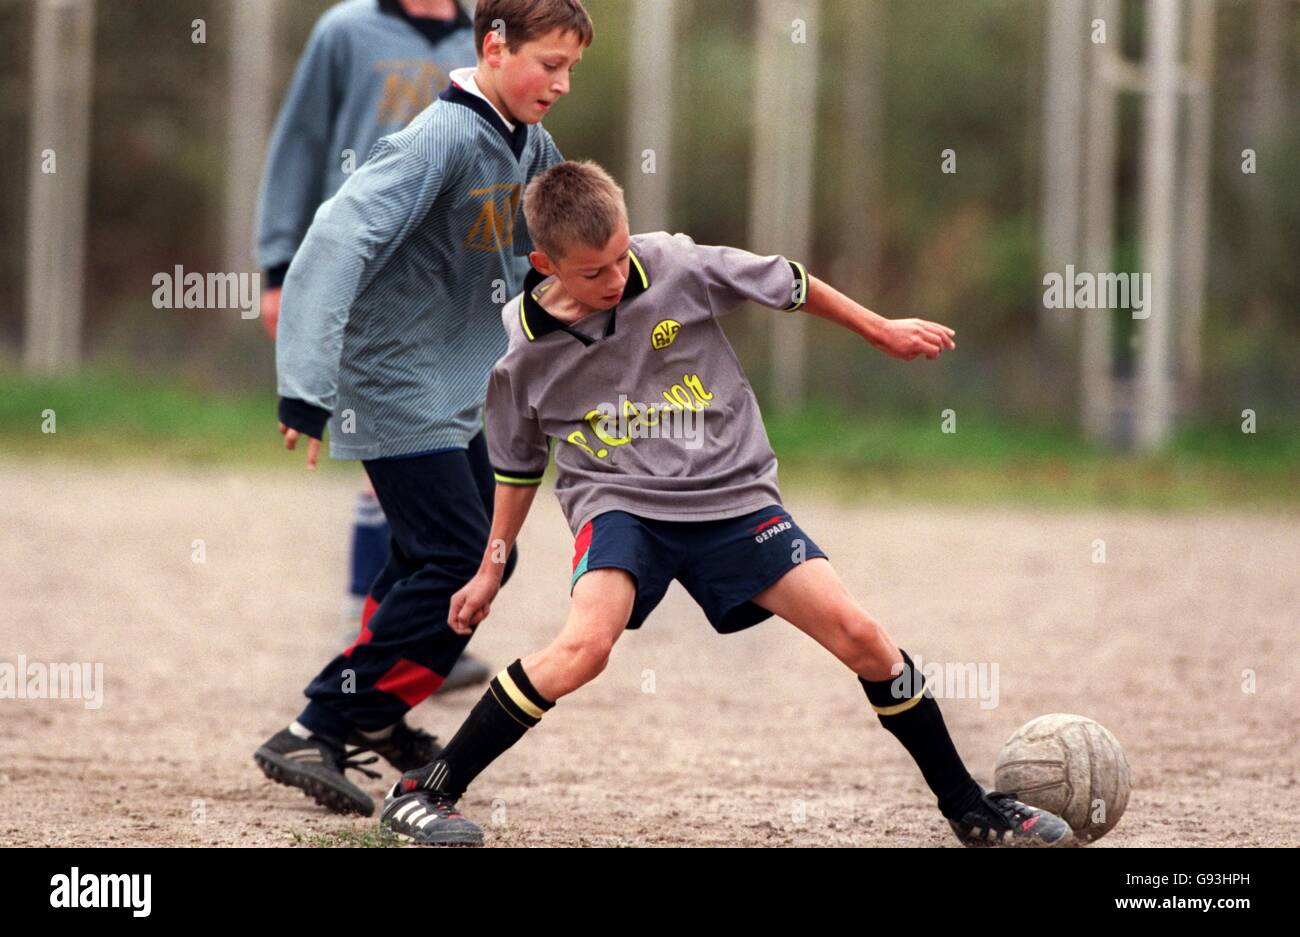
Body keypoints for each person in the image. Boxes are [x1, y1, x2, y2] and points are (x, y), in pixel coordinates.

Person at [377, 161, 1075, 848]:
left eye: (622, 256)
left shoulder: (677, 266)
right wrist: (491, 566)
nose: (617, 278)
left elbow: (788, 283)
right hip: (620, 506)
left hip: (734, 498)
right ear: (545, 263)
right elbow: (517, 466)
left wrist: (879, 328)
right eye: (594, 272)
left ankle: (971, 808)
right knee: (586, 646)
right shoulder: (521, 357)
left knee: (864, 639)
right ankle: (424, 790)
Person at [253, 0, 594, 818]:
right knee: (459, 557)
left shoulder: (529, 144)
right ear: (494, 46)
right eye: (549, 63)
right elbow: (337, 238)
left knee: (457, 558)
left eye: (572, 68)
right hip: (394, 382)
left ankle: (375, 712)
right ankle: (321, 723)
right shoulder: (439, 136)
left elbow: (543, 261)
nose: (562, 83)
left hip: (459, 387)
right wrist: (305, 381)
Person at [255, 0, 493, 691]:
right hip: (366, 268)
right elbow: (299, 141)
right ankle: (377, 625)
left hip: (453, 282)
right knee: (399, 444)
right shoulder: (346, 30)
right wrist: (278, 265)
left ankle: (402, 626)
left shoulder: (486, 37)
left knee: (446, 450)